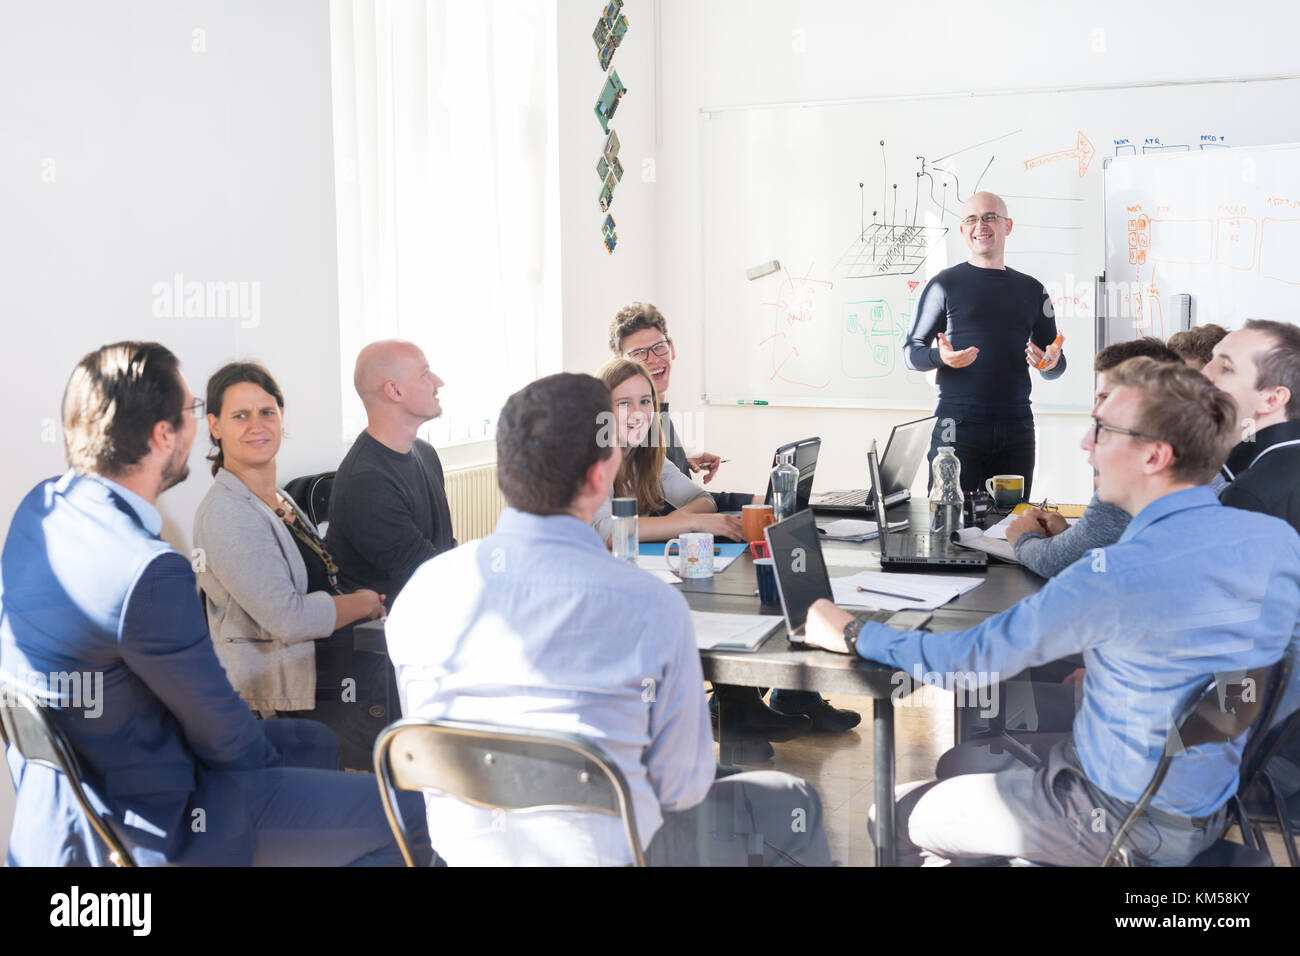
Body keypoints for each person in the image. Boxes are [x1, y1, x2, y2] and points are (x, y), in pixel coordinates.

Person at [800, 358, 1300, 865]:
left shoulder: (1115, 571)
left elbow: (969, 662)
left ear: (1154, 455)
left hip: (1110, 817)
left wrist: (854, 632)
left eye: (1103, 431)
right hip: (1199, 807)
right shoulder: (1276, 542)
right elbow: (1286, 671)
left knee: (892, 810)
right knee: (968, 770)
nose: (1087, 444)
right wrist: (1185, 742)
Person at [0, 342, 431, 866]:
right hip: (161, 814)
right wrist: (277, 781)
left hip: (78, 792)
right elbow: (225, 736)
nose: (199, 424)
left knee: (314, 742)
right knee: (417, 811)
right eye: (193, 412)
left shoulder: (40, 510)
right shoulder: (149, 569)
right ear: (165, 435)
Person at [385, 371, 831, 866]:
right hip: (617, 851)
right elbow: (683, 787)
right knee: (794, 800)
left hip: (463, 854)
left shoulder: (421, 593)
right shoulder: (652, 606)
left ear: (501, 471)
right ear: (602, 477)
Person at [610, 305, 861, 735]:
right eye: (625, 401)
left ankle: (774, 698)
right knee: (738, 580)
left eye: (645, 401)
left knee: (768, 566)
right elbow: (612, 533)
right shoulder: (599, 452)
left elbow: (701, 501)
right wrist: (691, 523)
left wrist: (693, 519)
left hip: (655, 558)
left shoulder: (652, 438)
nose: (639, 408)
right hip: (625, 580)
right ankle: (739, 710)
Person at [193, 362, 392, 771]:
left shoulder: (279, 499)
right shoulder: (227, 513)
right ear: (215, 426)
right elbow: (289, 619)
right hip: (285, 697)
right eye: (240, 416)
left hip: (321, 670)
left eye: (267, 412)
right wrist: (365, 603)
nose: (257, 425)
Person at [904, 191, 1066, 500]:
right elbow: (911, 353)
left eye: (991, 217)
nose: (982, 225)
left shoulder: (1033, 290)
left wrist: (1052, 363)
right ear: (964, 230)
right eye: (972, 219)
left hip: (1016, 426)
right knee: (948, 526)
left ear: (1008, 226)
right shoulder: (943, 285)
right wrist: (941, 357)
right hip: (956, 427)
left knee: (1008, 530)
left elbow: (1053, 364)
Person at [1005, 336, 1183, 576]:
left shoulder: (1134, 466)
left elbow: (1056, 561)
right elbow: (1103, 546)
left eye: (1107, 399)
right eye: (1098, 398)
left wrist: (1023, 537)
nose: (1096, 411)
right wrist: (1068, 532)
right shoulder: (1185, 449)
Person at [326, 339, 456, 604]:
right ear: (394, 391)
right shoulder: (366, 482)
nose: (438, 382)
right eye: (425, 373)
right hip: (388, 633)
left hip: (434, 611)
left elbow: (445, 553)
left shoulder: (425, 453)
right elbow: (427, 575)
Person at [607, 301, 754, 511]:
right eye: (639, 353)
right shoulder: (627, 424)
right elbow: (666, 507)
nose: (653, 359)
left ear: (671, 348)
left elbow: (673, 484)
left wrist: (681, 457)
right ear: (621, 364)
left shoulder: (658, 416)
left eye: (658, 347)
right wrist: (757, 503)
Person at [1204, 319, 1300, 533]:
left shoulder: (1250, 495)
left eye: (1226, 368)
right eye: (1211, 360)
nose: (1204, 373)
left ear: (1272, 399)